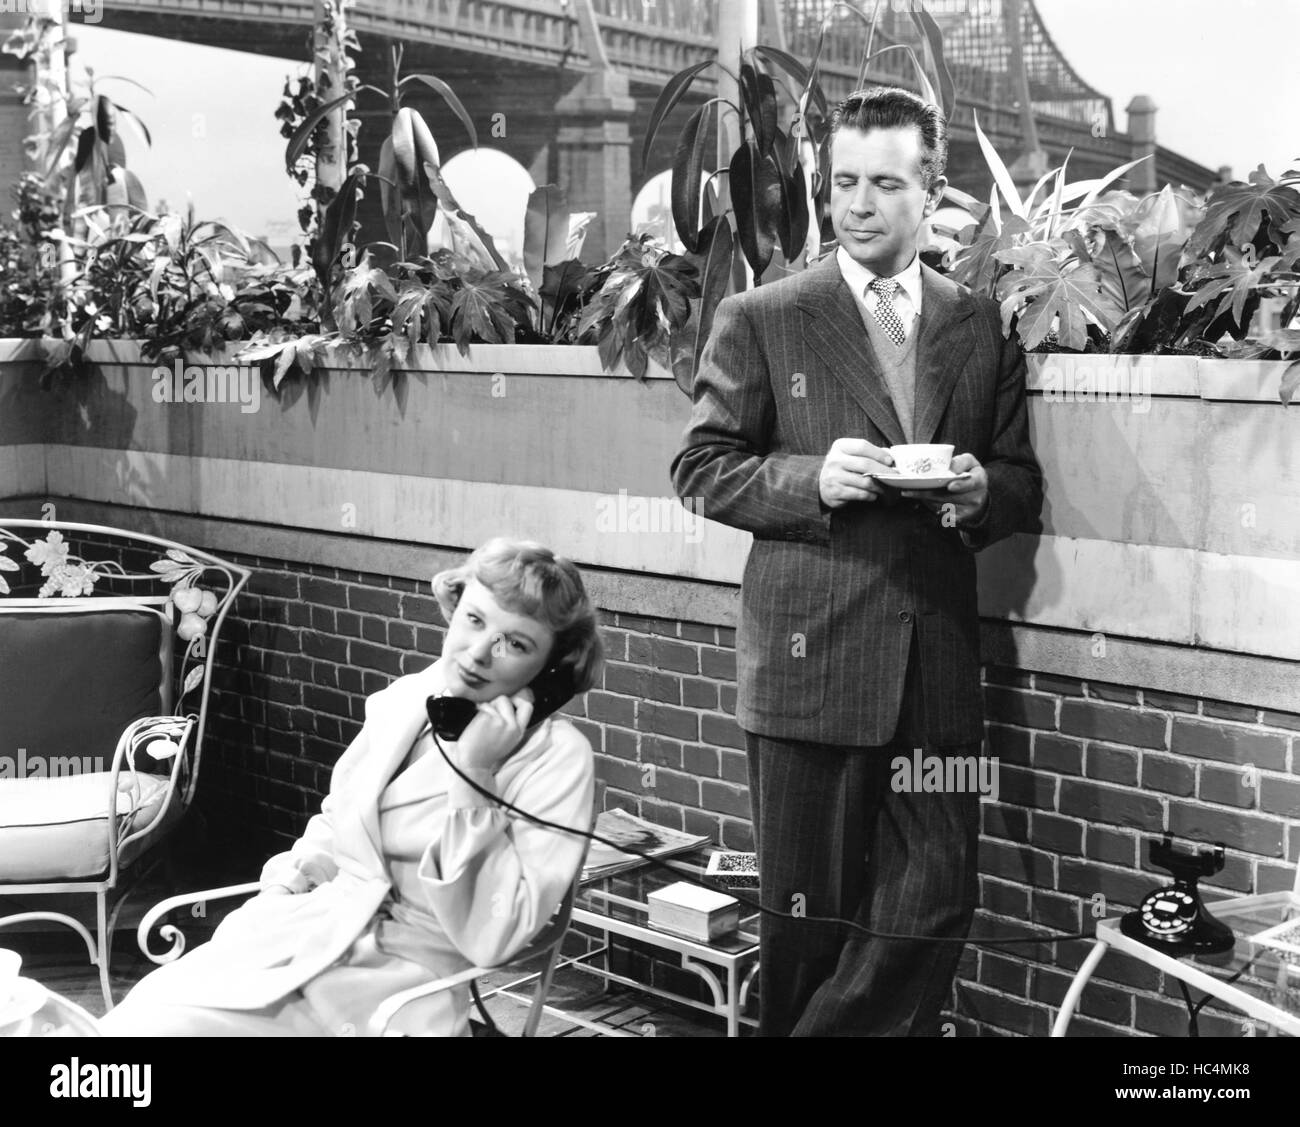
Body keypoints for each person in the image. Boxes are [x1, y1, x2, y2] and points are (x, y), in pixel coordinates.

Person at [671, 87, 1042, 1036]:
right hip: (809, 667)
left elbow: (1018, 479)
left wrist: (977, 495)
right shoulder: (764, 316)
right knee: (807, 922)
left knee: (938, 896)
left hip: (939, 674)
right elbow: (702, 468)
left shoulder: (979, 323)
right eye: (844, 183)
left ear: (930, 192)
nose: (860, 204)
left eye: (885, 183)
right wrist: (810, 480)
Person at [101, 538, 602, 1037]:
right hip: (304, 932)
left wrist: (476, 775)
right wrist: (282, 889)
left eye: (516, 644)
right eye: (474, 620)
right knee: (138, 1020)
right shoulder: (409, 697)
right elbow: (337, 819)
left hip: (396, 984)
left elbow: (495, 936)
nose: (478, 653)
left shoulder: (559, 761)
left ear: (552, 670)